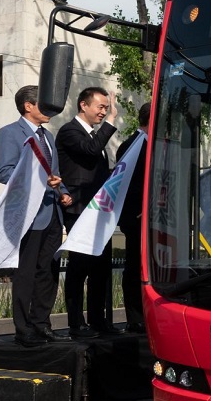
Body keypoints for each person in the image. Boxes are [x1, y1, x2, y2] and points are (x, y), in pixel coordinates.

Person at [0, 85, 73, 347]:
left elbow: (54, 174)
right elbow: (5, 173)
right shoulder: (9, 134)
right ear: (28, 106)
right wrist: (40, 180)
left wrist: (62, 192)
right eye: (44, 103)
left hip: (52, 214)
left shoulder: (48, 137)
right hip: (28, 215)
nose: (50, 109)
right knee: (26, 273)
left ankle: (42, 323)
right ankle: (23, 327)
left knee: (48, 272)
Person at [57, 86, 123, 337]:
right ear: (84, 105)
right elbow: (90, 150)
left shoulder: (95, 135)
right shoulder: (69, 131)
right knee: (79, 267)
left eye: (106, 108)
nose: (104, 112)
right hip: (78, 208)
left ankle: (99, 320)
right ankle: (76, 323)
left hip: (99, 211)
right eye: (101, 107)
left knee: (101, 268)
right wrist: (112, 121)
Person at [116, 103, 151, 334]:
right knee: (134, 266)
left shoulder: (152, 144)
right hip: (136, 216)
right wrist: (138, 209)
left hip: (153, 218)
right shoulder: (132, 145)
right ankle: (135, 317)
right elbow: (124, 182)